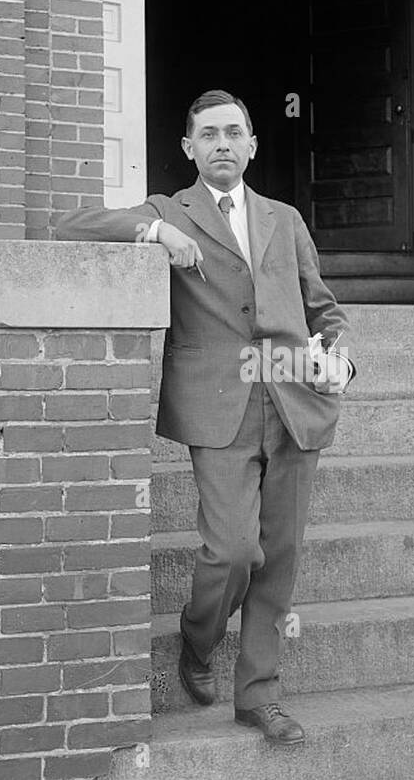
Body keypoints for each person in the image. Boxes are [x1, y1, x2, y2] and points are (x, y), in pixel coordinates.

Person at [53, 89, 355, 745]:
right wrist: (157, 233)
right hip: (218, 408)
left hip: (293, 402)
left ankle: (258, 697)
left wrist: (339, 363)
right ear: (189, 148)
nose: (223, 144)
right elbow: (71, 225)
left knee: (281, 558)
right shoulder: (172, 210)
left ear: (251, 144)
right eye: (209, 134)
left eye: (234, 132)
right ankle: (199, 635)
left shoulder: (285, 219)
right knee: (233, 549)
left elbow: (325, 312)